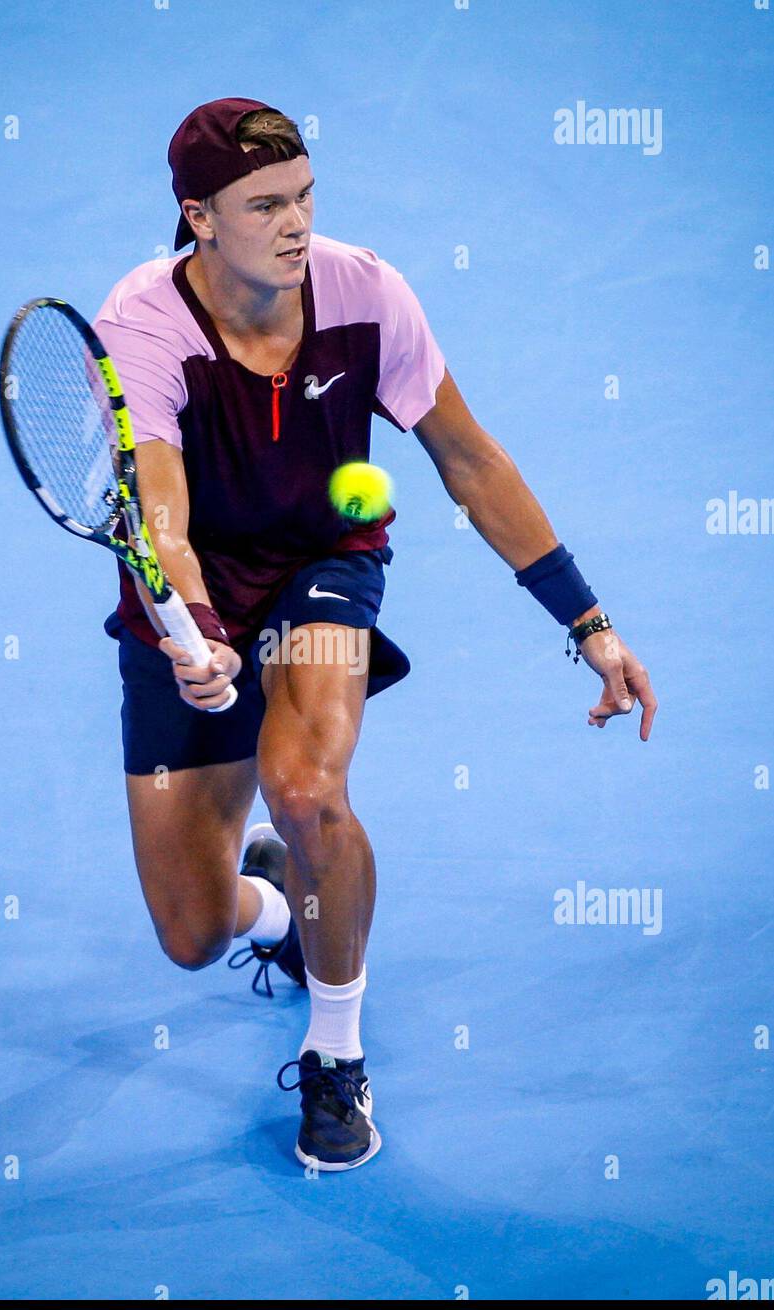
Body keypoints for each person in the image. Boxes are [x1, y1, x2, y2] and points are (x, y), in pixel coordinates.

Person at [94, 96, 658, 1172]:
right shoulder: (140, 324)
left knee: (307, 788)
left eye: (305, 196)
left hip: (322, 565)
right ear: (199, 218)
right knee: (189, 932)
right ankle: (278, 918)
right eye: (264, 206)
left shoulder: (365, 292)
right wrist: (195, 630)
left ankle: (335, 1053)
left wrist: (587, 620)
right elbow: (158, 508)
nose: (296, 223)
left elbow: (469, 458)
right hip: (192, 586)